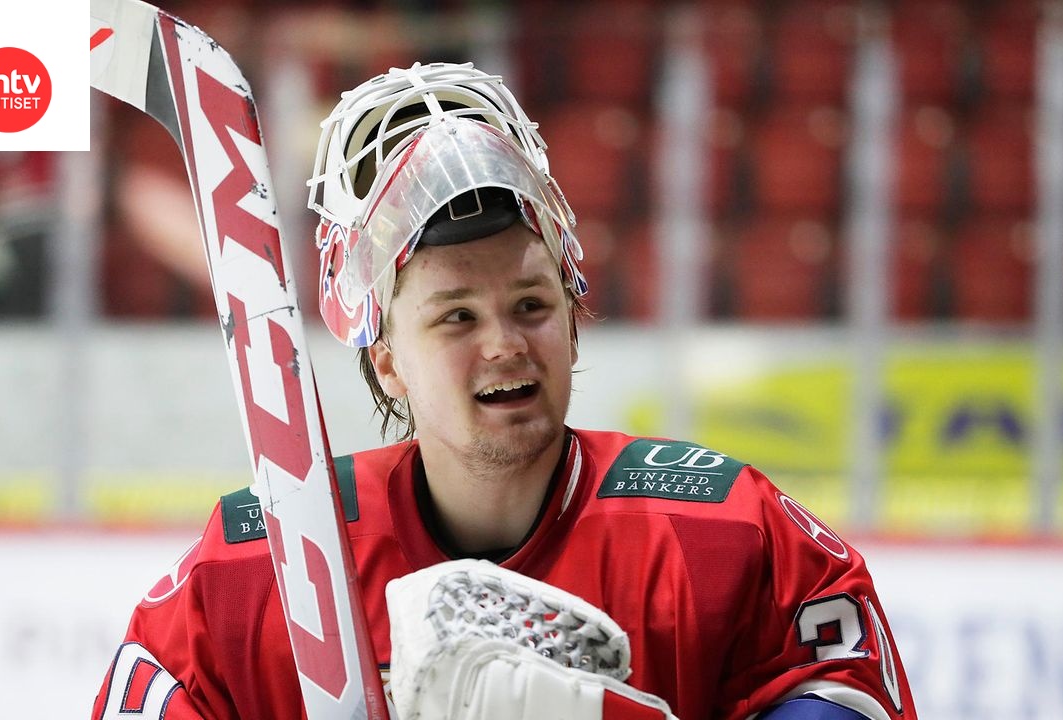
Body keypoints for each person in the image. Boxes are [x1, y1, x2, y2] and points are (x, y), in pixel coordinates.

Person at [92, 62, 915, 720]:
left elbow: (849, 693)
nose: (504, 344)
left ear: (573, 321)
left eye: (531, 305)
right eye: (456, 317)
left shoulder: (724, 533)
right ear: (388, 361)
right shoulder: (258, 566)